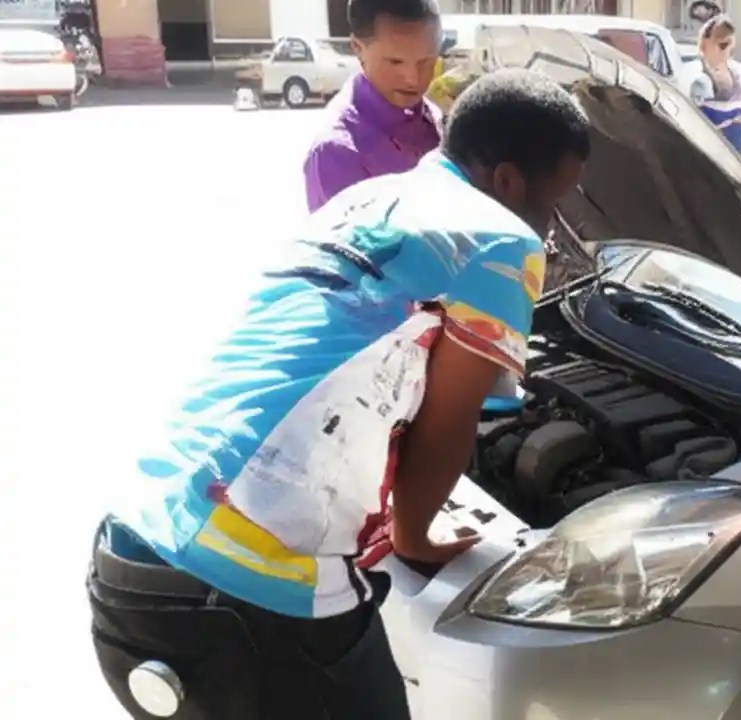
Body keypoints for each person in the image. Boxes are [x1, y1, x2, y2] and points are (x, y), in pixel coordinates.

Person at [87, 69, 591, 720]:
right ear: (507, 181)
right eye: (558, 198)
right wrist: (416, 537)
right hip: (242, 570)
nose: (554, 223)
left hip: (135, 541)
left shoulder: (373, 199)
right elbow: (448, 422)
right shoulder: (501, 240)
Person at [304, 0, 446, 213]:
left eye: (426, 62)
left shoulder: (433, 117)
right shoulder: (337, 152)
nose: (412, 78)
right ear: (358, 49)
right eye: (395, 62)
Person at [689, 14, 741, 154]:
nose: (727, 50)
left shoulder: (739, 72)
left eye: (730, 44)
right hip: (708, 151)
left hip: (737, 149)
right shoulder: (698, 77)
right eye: (722, 45)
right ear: (705, 45)